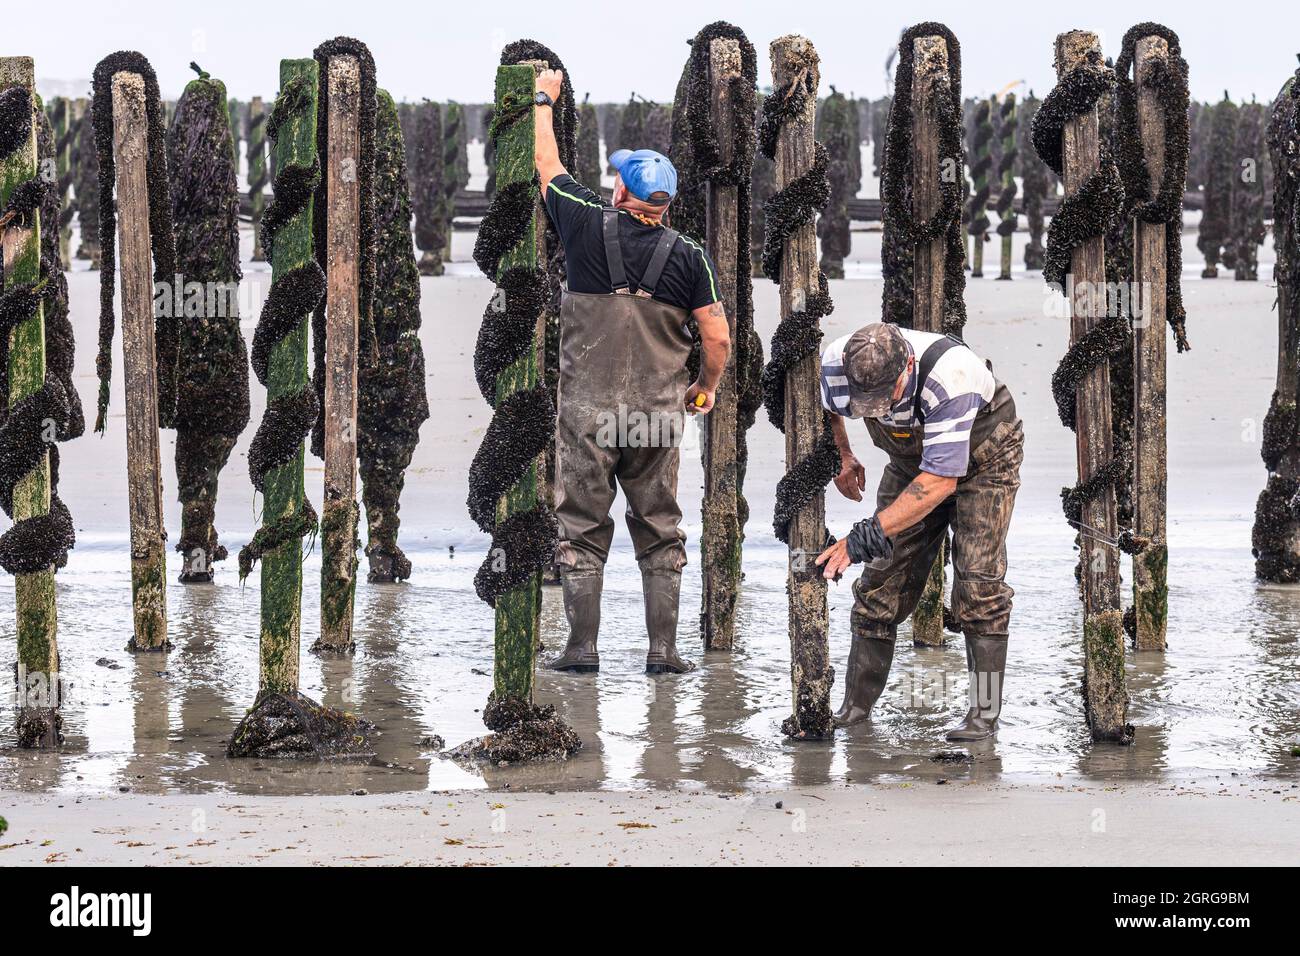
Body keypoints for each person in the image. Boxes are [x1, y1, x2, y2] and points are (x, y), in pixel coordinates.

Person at [532, 69, 730, 674]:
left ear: (622, 193)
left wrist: (544, 98)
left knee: (582, 526)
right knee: (660, 527)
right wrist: (705, 389)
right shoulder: (690, 256)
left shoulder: (586, 224)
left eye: (617, 178)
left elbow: (546, 165)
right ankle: (663, 653)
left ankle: (581, 649)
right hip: (655, 418)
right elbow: (717, 336)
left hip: (588, 416)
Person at [814, 323, 1024, 741]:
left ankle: (983, 717)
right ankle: (854, 709)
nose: (873, 411)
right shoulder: (838, 365)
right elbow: (829, 407)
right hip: (911, 464)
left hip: (985, 460)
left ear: (907, 367)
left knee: (979, 586)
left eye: (883, 400)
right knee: (879, 583)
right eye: (864, 404)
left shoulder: (952, 379)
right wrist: (843, 454)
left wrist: (860, 539)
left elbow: (939, 484)